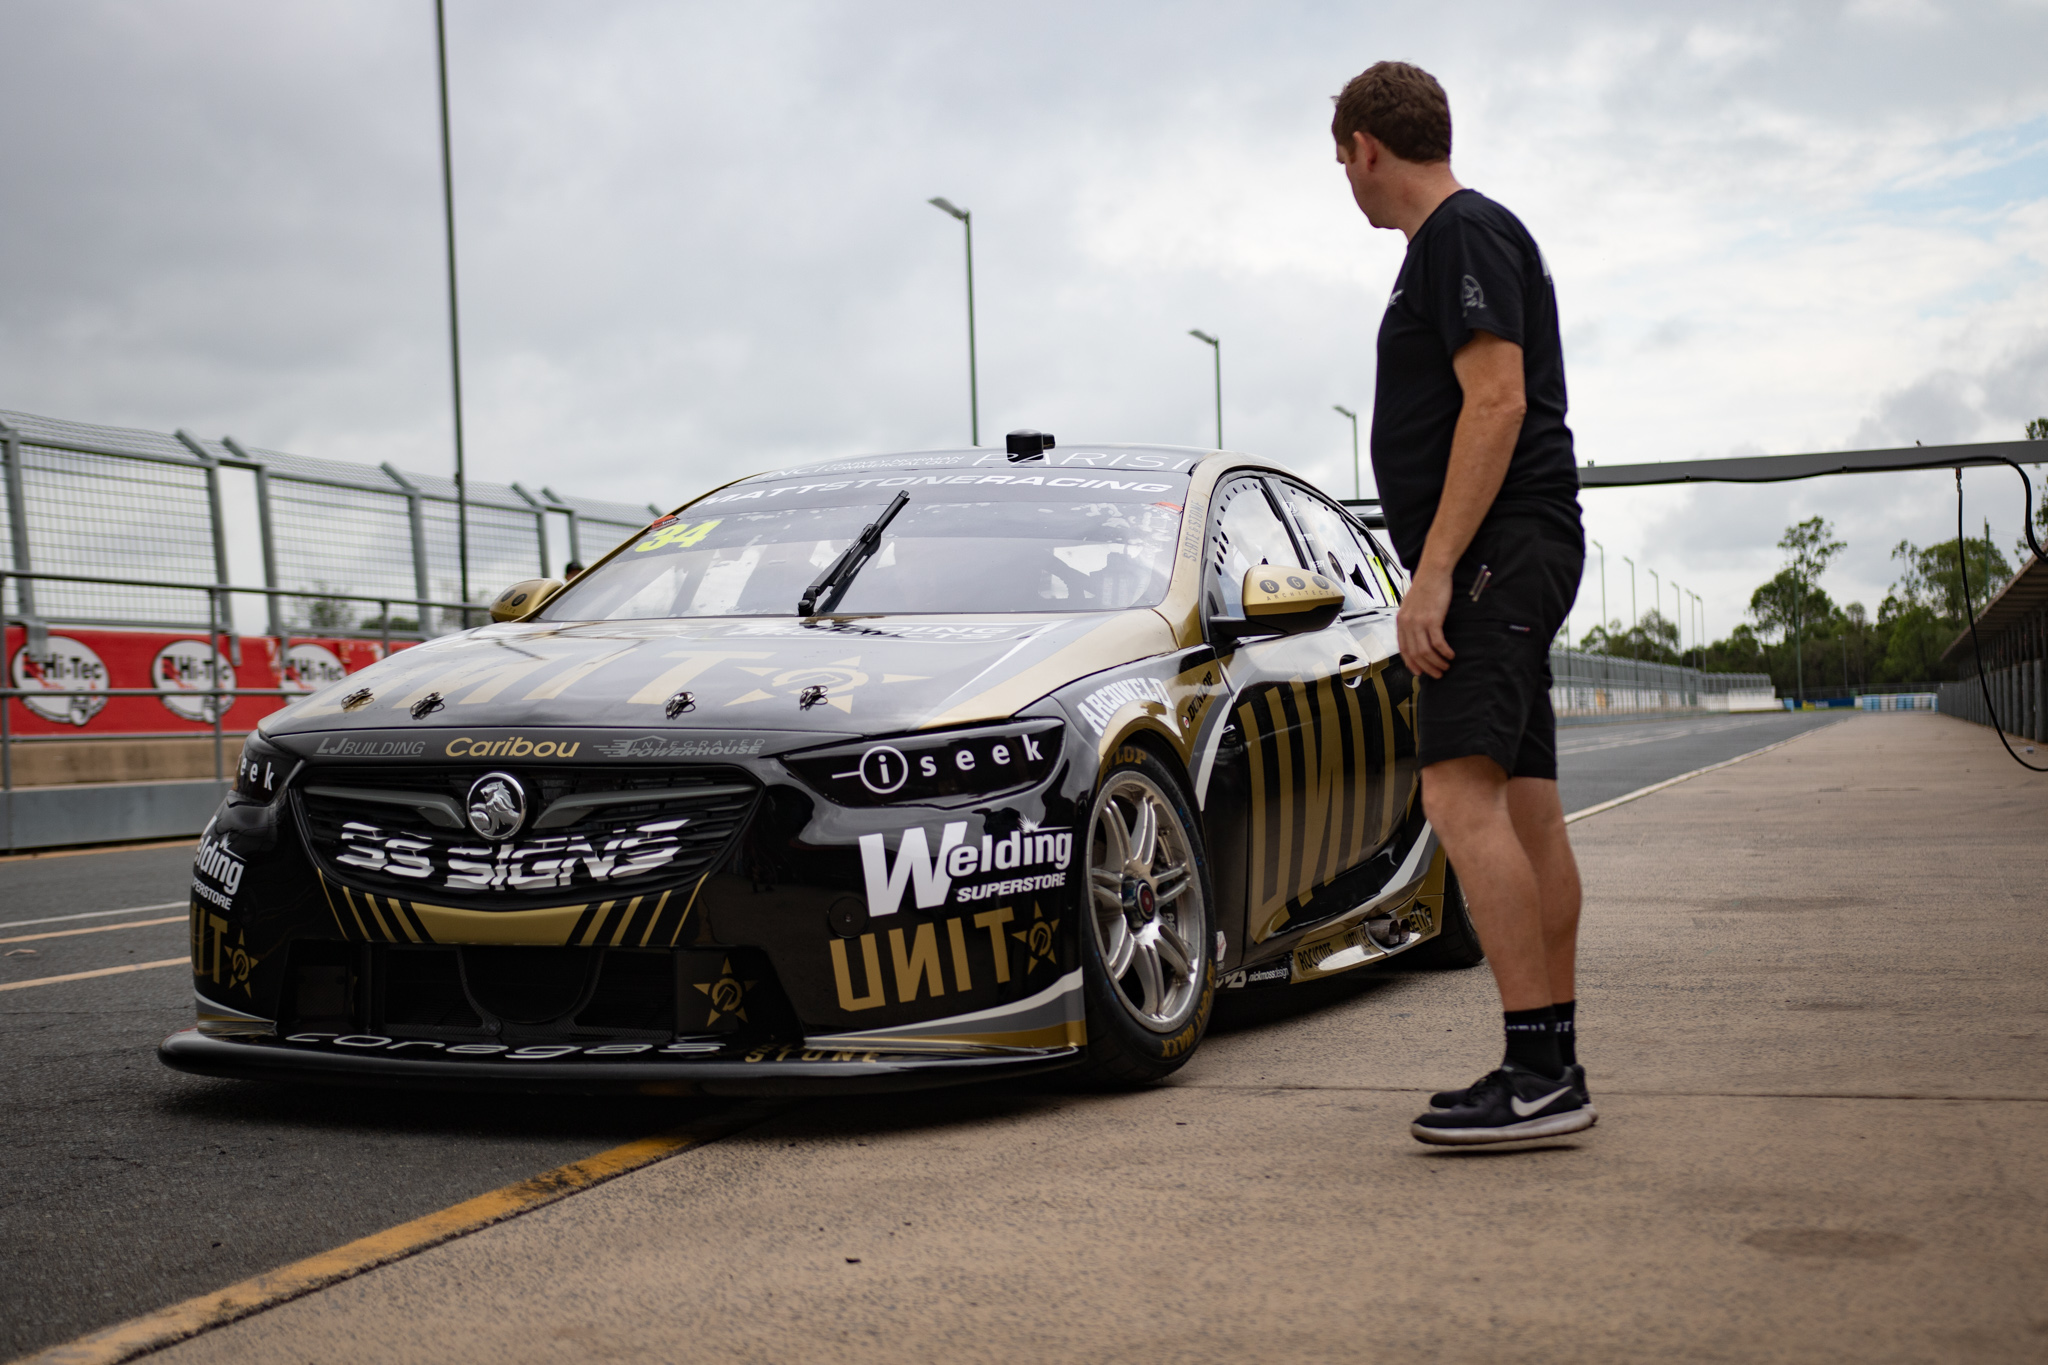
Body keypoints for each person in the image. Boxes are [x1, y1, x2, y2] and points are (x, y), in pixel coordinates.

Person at [1332, 61, 1592, 1145]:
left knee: (1453, 797)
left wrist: (1429, 573)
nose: (1340, 178)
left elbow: (1495, 400)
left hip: (1497, 552)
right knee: (1522, 806)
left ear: (1364, 150)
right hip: (1513, 551)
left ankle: (1536, 1073)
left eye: (1337, 159)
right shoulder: (1450, 246)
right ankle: (1549, 1062)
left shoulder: (1459, 236)